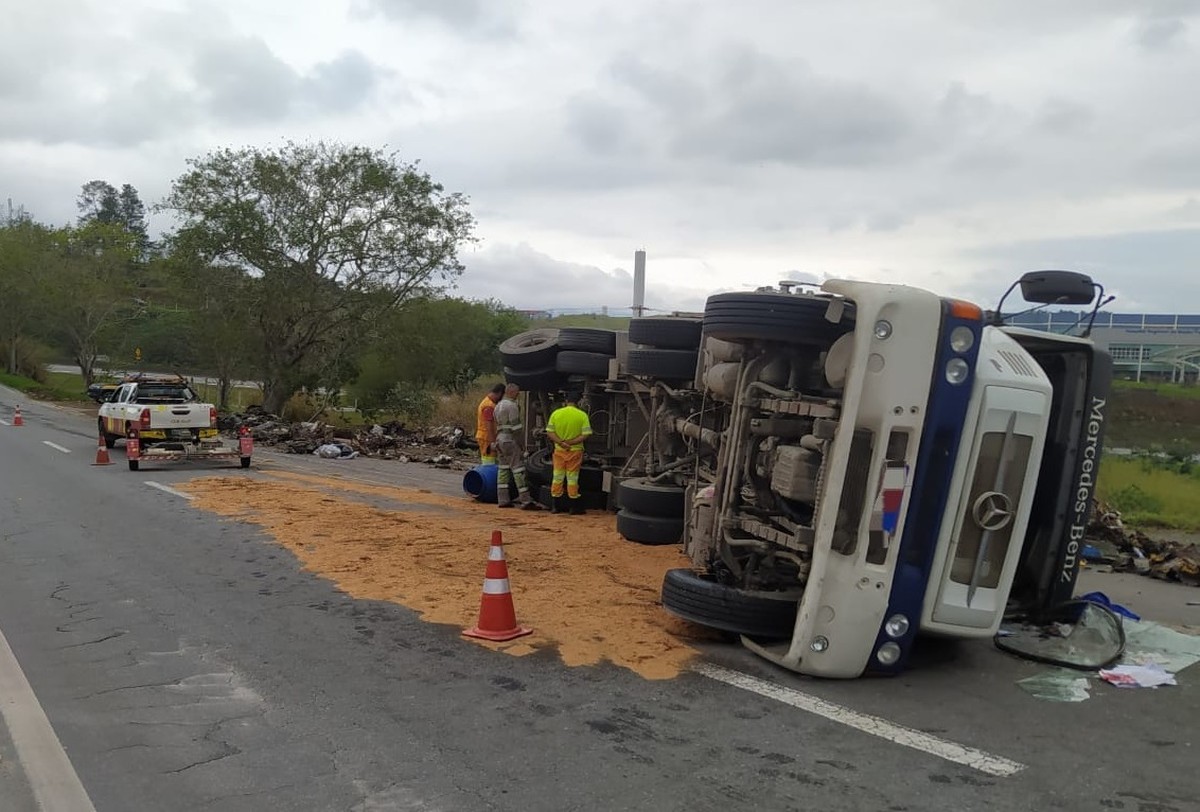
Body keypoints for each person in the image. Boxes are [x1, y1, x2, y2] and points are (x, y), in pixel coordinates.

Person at [493, 383, 540, 510]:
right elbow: (516, 428)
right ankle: (525, 500)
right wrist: (521, 444)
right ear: (512, 392)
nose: (519, 394)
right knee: (518, 469)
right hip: (509, 440)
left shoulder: (498, 406)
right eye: (517, 392)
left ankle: (503, 499)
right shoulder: (512, 406)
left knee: (503, 469)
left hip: (499, 440)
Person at [546, 390, 592, 514]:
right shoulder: (582, 415)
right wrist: (571, 443)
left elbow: (550, 432)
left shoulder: (556, 414)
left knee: (557, 477)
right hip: (575, 451)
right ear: (578, 402)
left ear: (566, 401)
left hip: (559, 450)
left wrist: (561, 443)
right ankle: (573, 507)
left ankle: (555, 506)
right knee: (572, 478)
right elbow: (586, 434)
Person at [475, 383, 504, 465]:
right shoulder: (489, 406)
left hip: (485, 437)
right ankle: (488, 475)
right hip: (487, 438)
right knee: (489, 461)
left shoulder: (487, 402)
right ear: (499, 393)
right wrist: (493, 442)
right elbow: (489, 425)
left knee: (489, 459)